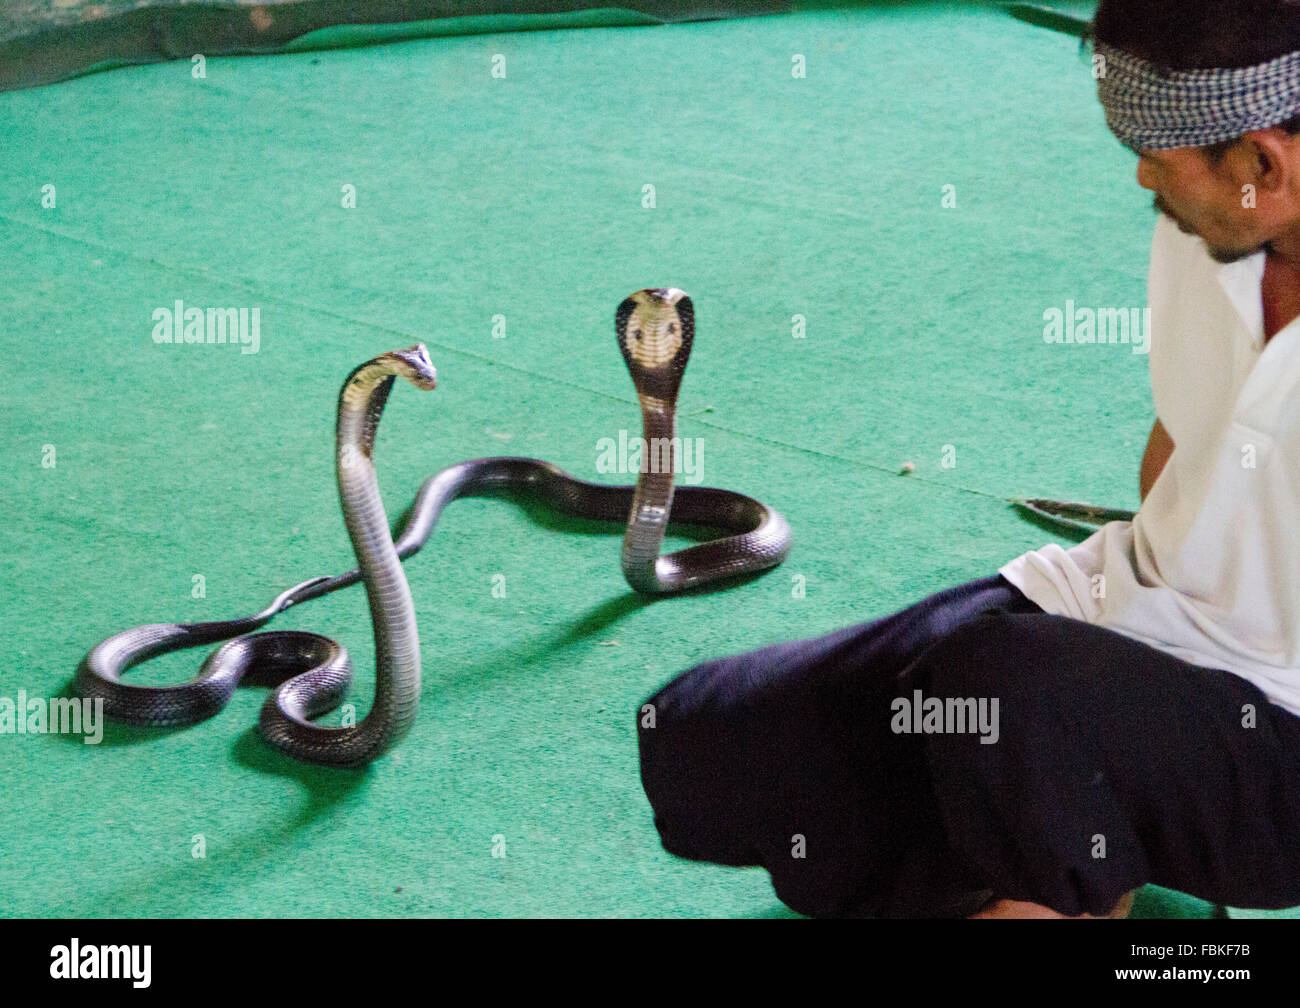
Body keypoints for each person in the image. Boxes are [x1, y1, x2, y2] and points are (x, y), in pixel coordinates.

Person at [636, 0, 1300, 918]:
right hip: (1123, 605)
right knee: (708, 736)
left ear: (1263, 162)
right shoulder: (1216, 227)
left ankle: (1071, 877)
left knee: (1005, 691)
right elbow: (1185, 438)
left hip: (1282, 738)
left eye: (1157, 154)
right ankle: (1071, 827)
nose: (1145, 177)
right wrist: (1119, 687)